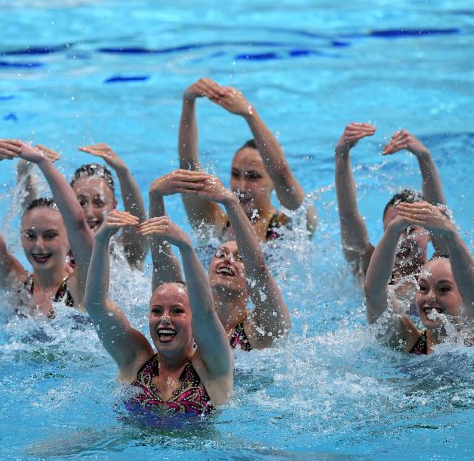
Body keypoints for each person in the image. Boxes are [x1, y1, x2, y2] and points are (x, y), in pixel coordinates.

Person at [84, 211, 233, 416]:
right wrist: (101, 241)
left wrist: (186, 248)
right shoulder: (135, 359)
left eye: (177, 311)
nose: (164, 319)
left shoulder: (212, 366)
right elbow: (95, 306)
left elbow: (206, 313)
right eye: (156, 311)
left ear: (194, 319)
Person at [149, 169, 290, 350]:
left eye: (240, 258)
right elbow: (161, 264)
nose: (228, 260)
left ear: (252, 285)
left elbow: (259, 270)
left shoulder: (259, 331)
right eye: (220, 254)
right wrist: (155, 196)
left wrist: (230, 202)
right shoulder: (185, 321)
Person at [178, 78, 317, 242]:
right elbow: (188, 166)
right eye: (235, 174)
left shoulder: (289, 229)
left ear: (273, 183)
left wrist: (249, 114)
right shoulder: (217, 227)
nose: (241, 187)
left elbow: (282, 175)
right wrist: (188, 101)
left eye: (253, 177)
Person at [0, 139, 93, 316]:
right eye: (30, 236)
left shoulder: (82, 285)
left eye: (50, 236)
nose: (39, 245)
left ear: (70, 240)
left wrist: (43, 163)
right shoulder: (16, 285)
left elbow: (78, 224)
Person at [363, 201, 474, 354]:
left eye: (444, 289)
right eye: (423, 288)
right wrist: (392, 230)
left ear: (463, 295)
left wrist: (450, 235)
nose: (430, 296)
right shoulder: (408, 342)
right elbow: (373, 291)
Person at [335, 122, 447, 286]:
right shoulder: (373, 272)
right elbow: (348, 216)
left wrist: (424, 158)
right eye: (393, 229)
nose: (402, 239)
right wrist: (341, 155)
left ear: (430, 233)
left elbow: (441, 220)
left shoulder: (443, 273)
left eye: (410, 229)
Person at [73, 143, 148, 268]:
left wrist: (123, 173)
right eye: (81, 203)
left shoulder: (125, 252)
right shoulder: (59, 252)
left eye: (99, 203)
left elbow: (138, 226)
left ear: (114, 205)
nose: (90, 213)